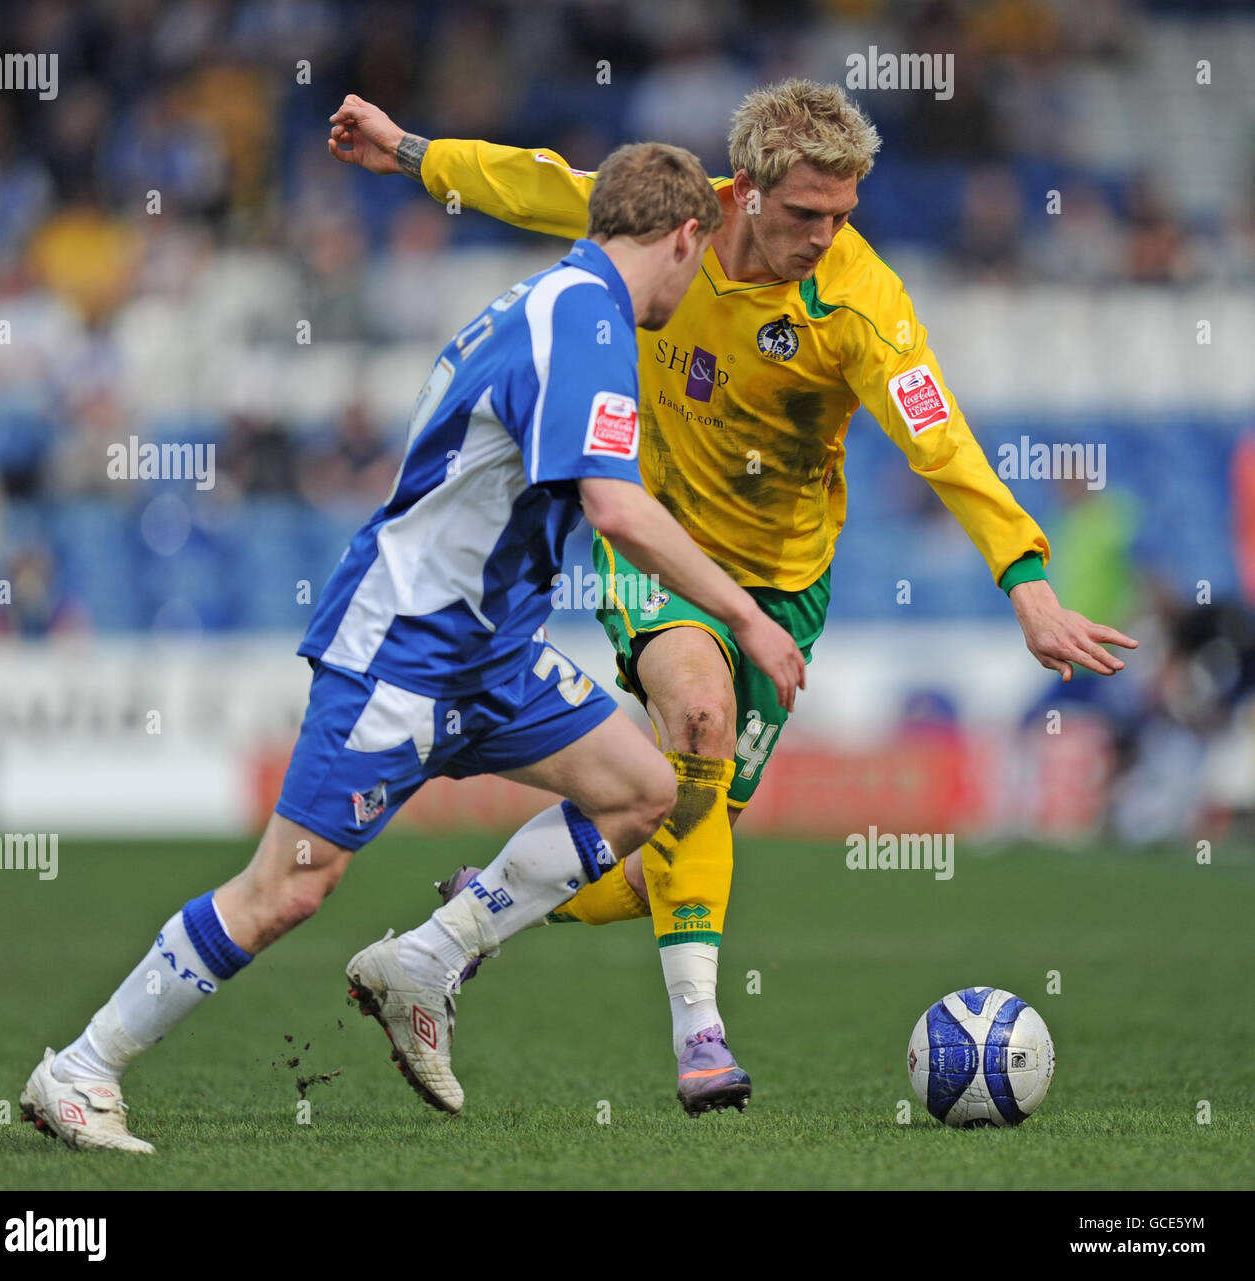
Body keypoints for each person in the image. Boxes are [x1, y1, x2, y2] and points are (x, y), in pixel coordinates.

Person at [325, 79, 1138, 1115]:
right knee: (697, 718)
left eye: (842, 216)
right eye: (805, 213)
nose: (823, 235)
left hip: (784, 579)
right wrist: (406, 151)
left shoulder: (860, 303)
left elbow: (938, 439)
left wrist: (1025, 581)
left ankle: (451, 934)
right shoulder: (674, 227)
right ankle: (700, 1041)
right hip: (651, 534)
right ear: (744, 190)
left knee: (667, 835)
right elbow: (536, 187)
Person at [18, 139, 805, 1149]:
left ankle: (428, 962)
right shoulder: (588, 318)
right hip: (406, 647)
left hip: (492, 652)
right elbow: (614, 506)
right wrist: (744, 614)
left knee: (642, 790)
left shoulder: (554, 302)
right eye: (701, 260)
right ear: (687, 236)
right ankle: (80, 1072)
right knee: (290, 885)